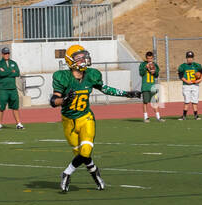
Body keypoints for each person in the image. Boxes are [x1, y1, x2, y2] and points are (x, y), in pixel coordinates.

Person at [52, 44, 142, 192]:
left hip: (86, 118)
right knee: (81, 155)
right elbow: (53, 101)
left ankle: (66, 173)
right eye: (78, 57)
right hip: (68, 121)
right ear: (70, 61)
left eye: (83, 56)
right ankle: (95, 174)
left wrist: (127, 93)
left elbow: (105, 89)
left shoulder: (92, 74)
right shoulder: (62, 77)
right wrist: (65, 99)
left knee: (85, 151)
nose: (83, 59)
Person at [0, 46, 23, 130]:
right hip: (3, 89)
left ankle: (18, 123)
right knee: (1, 107)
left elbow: (17, 73)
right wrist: (11, 71)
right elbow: (1, 74)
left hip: (13, 89)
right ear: (2, 54)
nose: (7, 55)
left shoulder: (13, 63)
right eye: (5, 53)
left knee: (15, 107)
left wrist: (7, 71)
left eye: (8, 53)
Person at [179, 51, 202, 120]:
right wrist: (186, 81)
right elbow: (180, 76)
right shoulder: (183, 66)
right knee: (187, 101)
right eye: (188, 57)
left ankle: (196, 115)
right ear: (186, 58)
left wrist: (200, 80)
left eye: (191, 58)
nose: (190, 59)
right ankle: (184, 116)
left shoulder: (197, 65)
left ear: (193, 58)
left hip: (195, 85)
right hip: (186, 85)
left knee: (195, 101)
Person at [139, 50, 162, 122]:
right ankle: (146, 117)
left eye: (151, 58)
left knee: (154, 102)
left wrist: (153, 71)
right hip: (145, 86)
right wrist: (146, 67)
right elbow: (141, 73)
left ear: (153, 58)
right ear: (146, 58)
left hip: (152, 86)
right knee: (145, 102)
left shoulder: (155, 65)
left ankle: (158, 117)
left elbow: (156, 75)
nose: (149, 60)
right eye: (148, 58)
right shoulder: (143, 64)